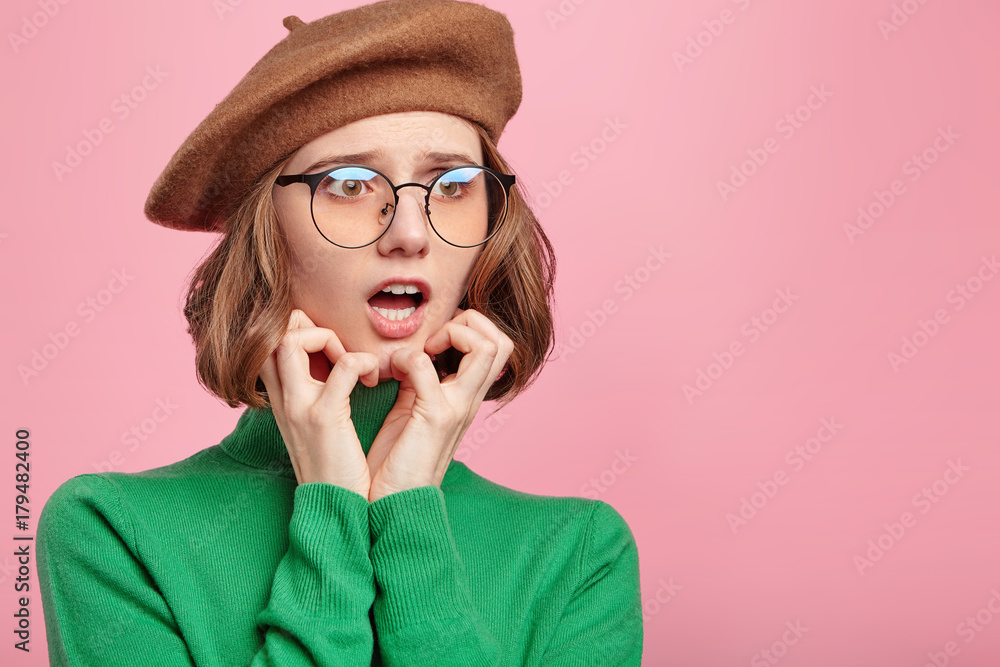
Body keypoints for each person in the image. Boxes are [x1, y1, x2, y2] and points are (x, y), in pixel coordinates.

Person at [36, 1, 643, 664]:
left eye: (451, 183)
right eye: (351, 184)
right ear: (268, 234)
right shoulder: (113, 531)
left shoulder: (579, 552)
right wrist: (331, 512)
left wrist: (409, 511)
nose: (410, 233)